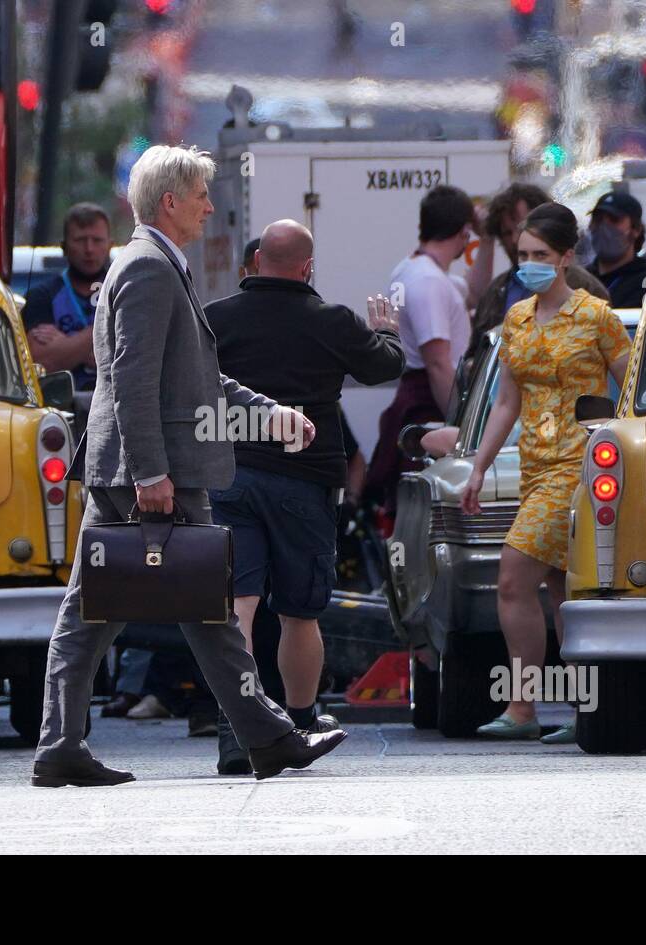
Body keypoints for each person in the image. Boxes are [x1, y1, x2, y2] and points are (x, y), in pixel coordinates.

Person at [31, 145, 346, 787]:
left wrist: (269, 412)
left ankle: (66, 746)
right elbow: (133, 378)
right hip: (152, 474)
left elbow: (194, 378)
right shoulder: (149, 268)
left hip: (142, 468)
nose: (210, 206)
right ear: (170, 202)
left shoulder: (155, 264)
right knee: (196, 609)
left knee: (134, 614)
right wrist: (150, 473)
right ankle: (267, 737)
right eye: (201, 195)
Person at [205, 219, 404, 773]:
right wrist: (386, 331)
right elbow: (386, 365)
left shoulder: (216, 320)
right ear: (307, 268)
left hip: (229, 476)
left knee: (237, 606)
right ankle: (300, 721)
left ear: (257, 261)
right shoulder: (330, 321)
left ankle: (236, 729)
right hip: (305, 481)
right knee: (299, 610)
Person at [461, 203, 631, 743]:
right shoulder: (515, 317)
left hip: (578, 463)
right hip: (533, 464)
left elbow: (630, 388)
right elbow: (506, 403)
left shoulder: (596, 315)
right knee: (561, 590)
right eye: (523, 255)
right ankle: (584, 710)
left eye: (540, 255)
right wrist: (478, 467)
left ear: (565, 258)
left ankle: (521, 704)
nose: (529, 264)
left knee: (513, 578)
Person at [366, 185, 473, 510]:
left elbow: (476, 292)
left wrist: (493, 239)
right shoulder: (428, 281)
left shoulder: (413, 271)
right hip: (427, 405)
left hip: (417, 399)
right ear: (464, 232)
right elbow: (438, 363)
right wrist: (460, 425)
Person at [466, 183, 610, 364]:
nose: (514, 239)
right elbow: (479, 358)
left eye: (520, 229)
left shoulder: (583, 286)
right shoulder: (496, 292)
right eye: (506, 233)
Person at [22, 202, 111, 392]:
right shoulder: (41, 296)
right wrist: (102, 336)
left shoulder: (125, 293)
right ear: (64, 246)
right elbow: (42, 363)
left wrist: (66, 345)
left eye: (97, 240)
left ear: (109, 246)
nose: (89, 249)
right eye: (80, 240)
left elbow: (138, 359)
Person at [585, 191, 646, 309]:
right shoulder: (580, 279)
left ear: (636, 230)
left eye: (614, 220)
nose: (603, 227)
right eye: (597, 219)